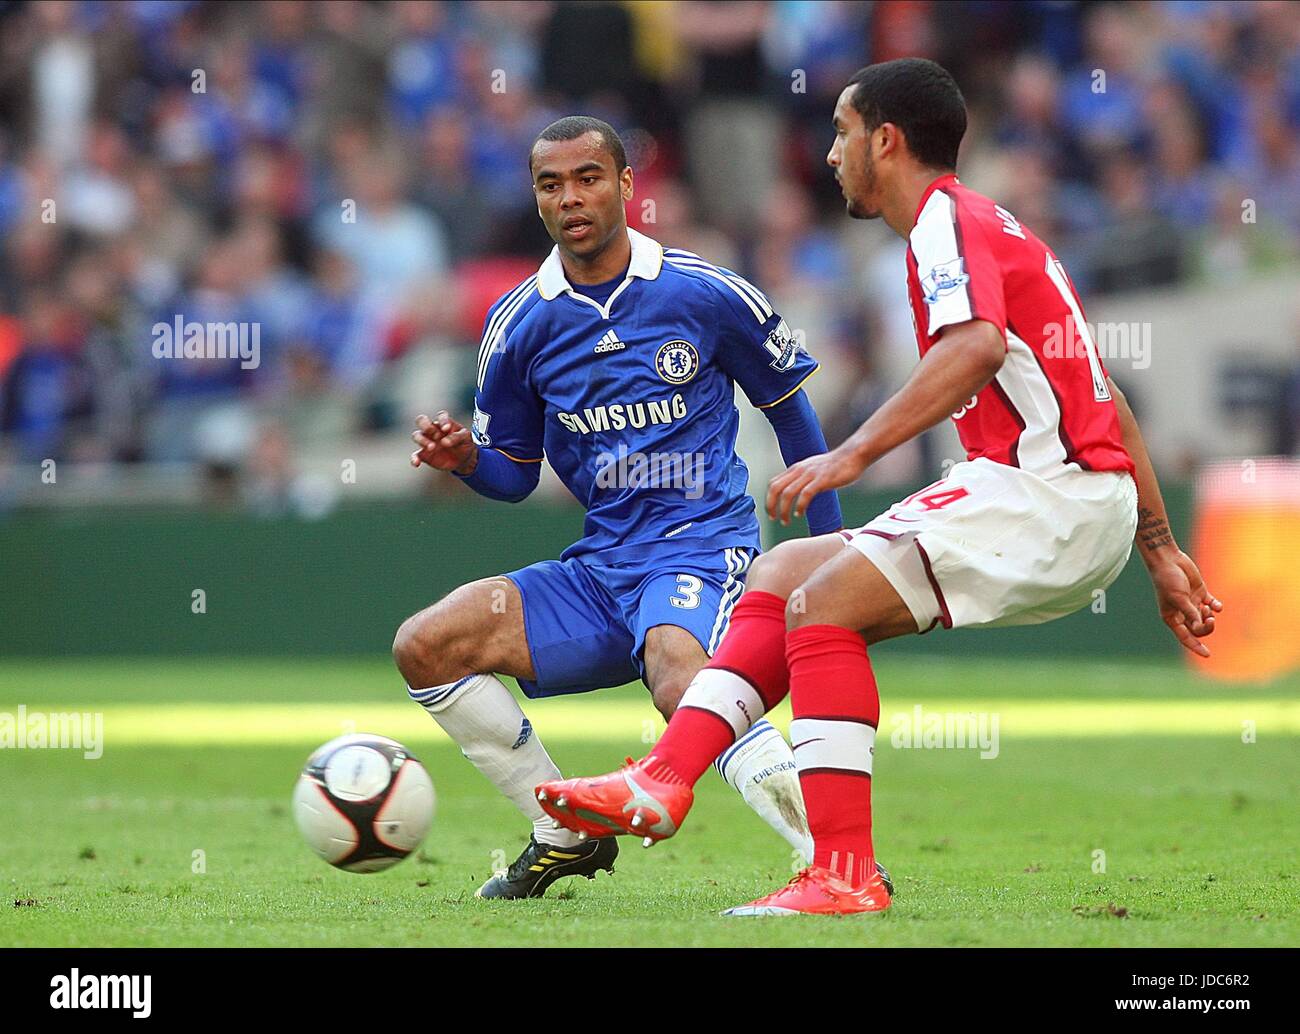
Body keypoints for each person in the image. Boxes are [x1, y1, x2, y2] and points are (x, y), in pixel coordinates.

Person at [535, 61, 1223, 917]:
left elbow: (971, 347)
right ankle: (665, 779)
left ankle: (841, 874)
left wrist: (850, 455)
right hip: (1067, 497)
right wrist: (1158, 549)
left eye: (840, 132)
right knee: (782, 578)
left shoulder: (945, 221)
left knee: (822, 607)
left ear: (884, 140)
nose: (830, 155)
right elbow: (1104, 395)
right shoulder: (990, 230)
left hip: (1046, 495)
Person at [393, 116, 895, 899]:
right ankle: (564, 833)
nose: (571, 198)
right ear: (536, 200)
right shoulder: (520, 324)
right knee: (425, 645)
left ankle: (834, 859)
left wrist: (831, 560)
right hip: (602, 566)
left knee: (676, 670)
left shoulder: (703, 291)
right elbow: (515, 476)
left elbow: (792, 414)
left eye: (588, 177)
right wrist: (466, 462)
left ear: (627, 185)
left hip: (701, 541)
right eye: (550, 185)